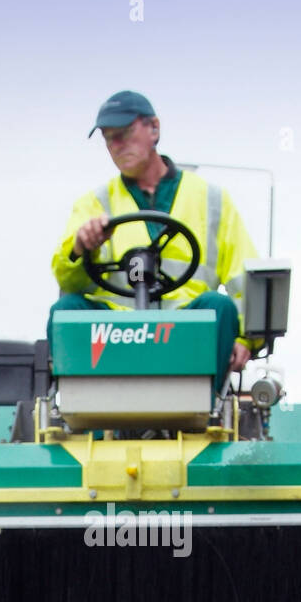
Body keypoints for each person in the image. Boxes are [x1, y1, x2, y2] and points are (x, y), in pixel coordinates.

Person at [48, 91, 257, 392]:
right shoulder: (95, 203)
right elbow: (67, 278)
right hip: (115, 335)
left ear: (154, 129)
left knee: (218, 306)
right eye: (109, 139)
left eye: (125, 133)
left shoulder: (211, 200)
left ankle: (203, 413)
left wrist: (246, 339)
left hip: (184, 334)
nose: (117, 145)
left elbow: (243, 274)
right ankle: (86, 423)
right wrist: (81, 247)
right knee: (66, 310)